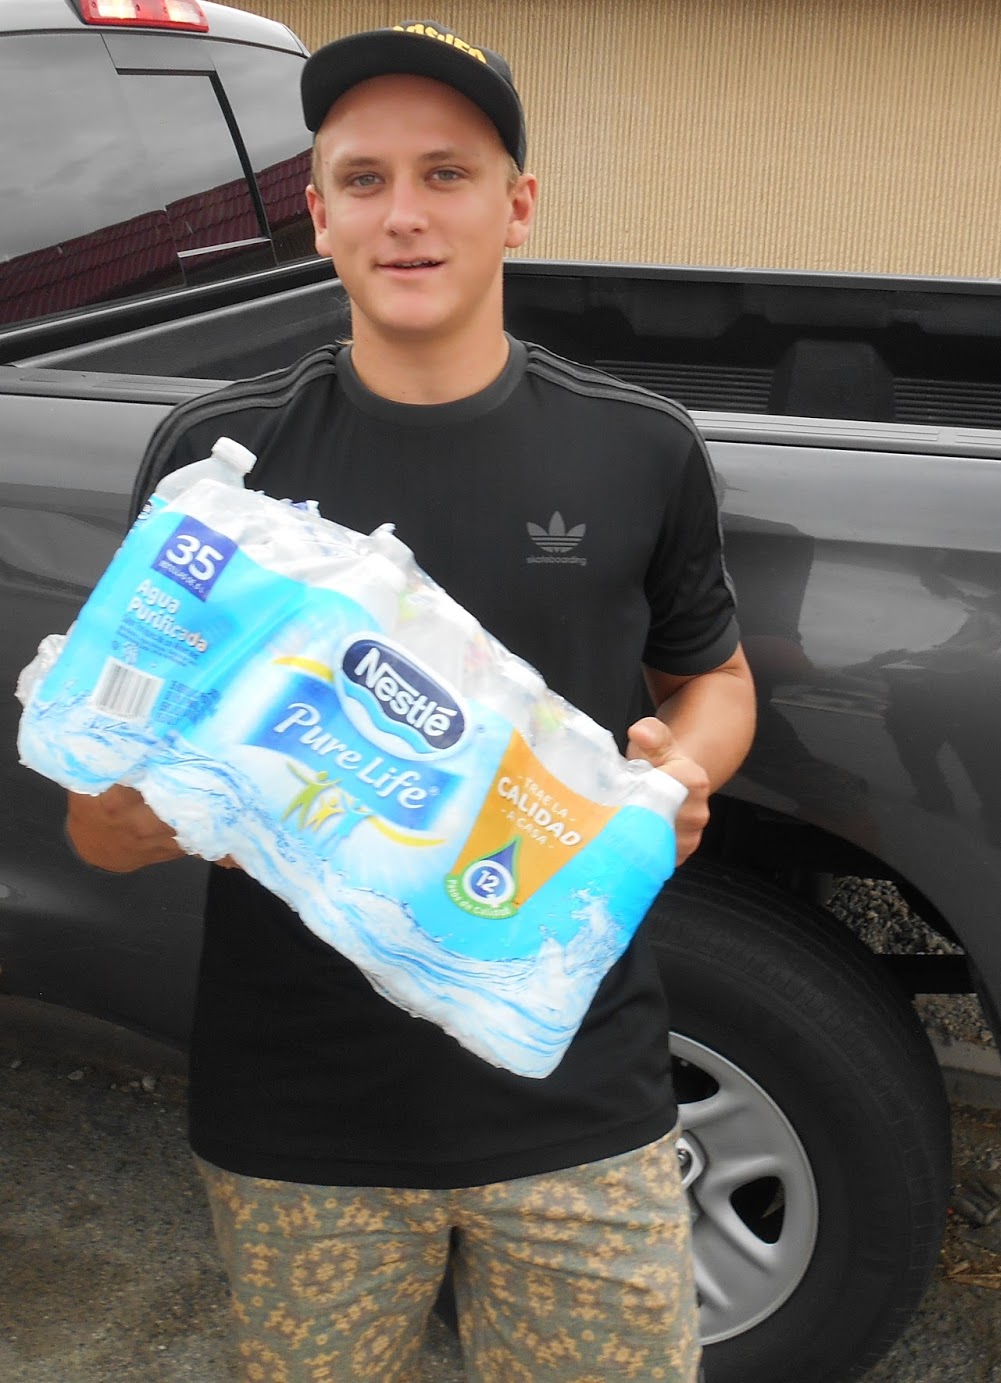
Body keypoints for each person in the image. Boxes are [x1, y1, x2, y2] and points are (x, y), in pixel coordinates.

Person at [64, 20, 754, 1381]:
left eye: (447, 174)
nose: (407, 214)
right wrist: (128, 818)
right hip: (299, 1123)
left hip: (582, 1097)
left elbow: (712, 677)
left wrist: (687, 769)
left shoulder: (637, 449)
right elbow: (97, 815)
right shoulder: (222, 472)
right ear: (319, 217)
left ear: (518, 204)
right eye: (365, 180)